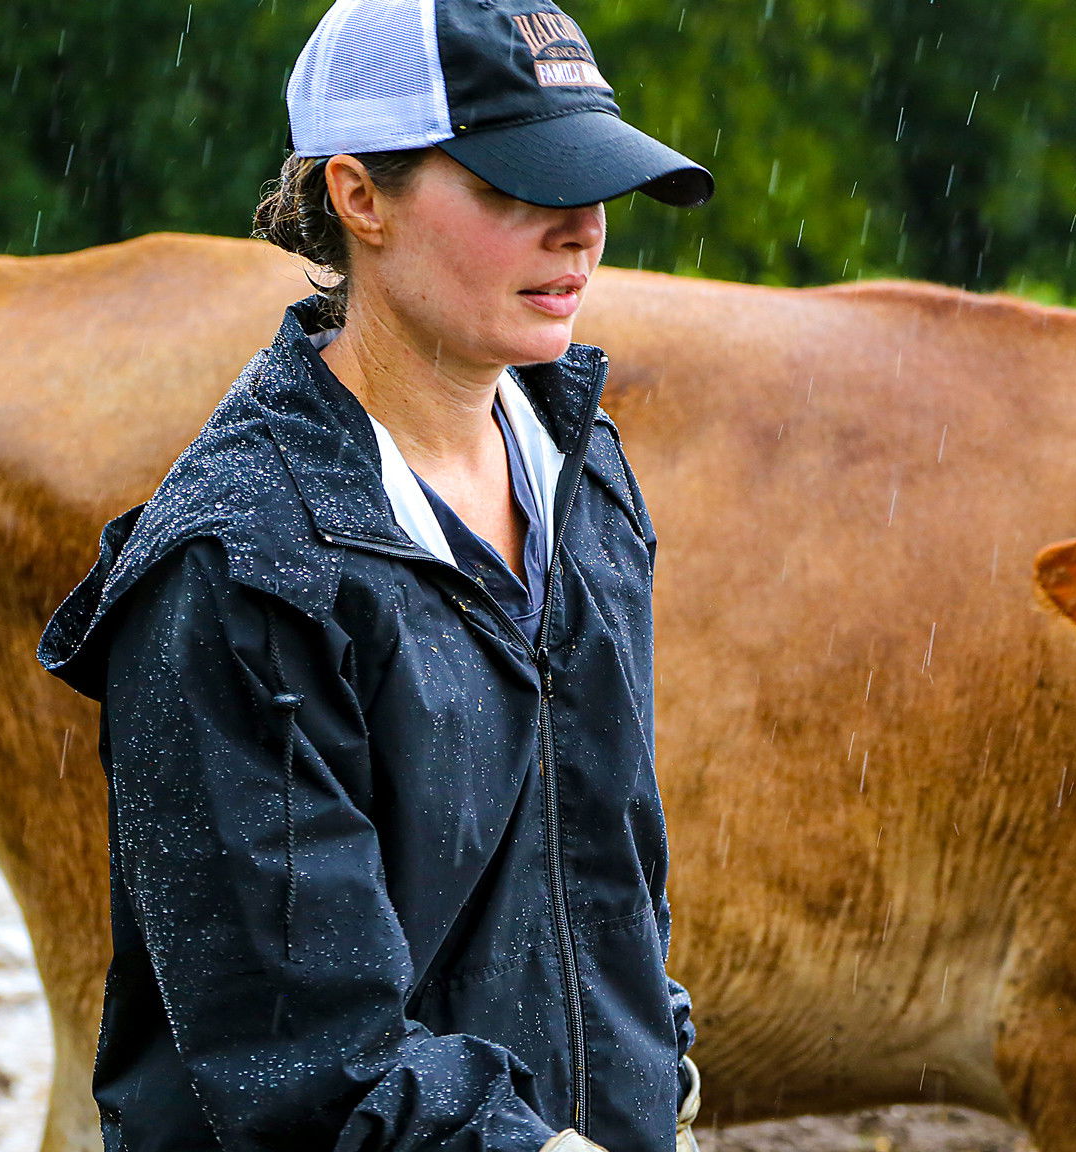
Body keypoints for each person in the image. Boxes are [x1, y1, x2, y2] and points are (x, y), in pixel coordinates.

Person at [36, 1, 714, 1149]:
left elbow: (599, 852)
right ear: (357, 197)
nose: (581, 233)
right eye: (520, 187)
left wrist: (659, 1076)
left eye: (591, 184)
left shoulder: (577, 461)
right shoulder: (240, 568)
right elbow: (298, 1055)